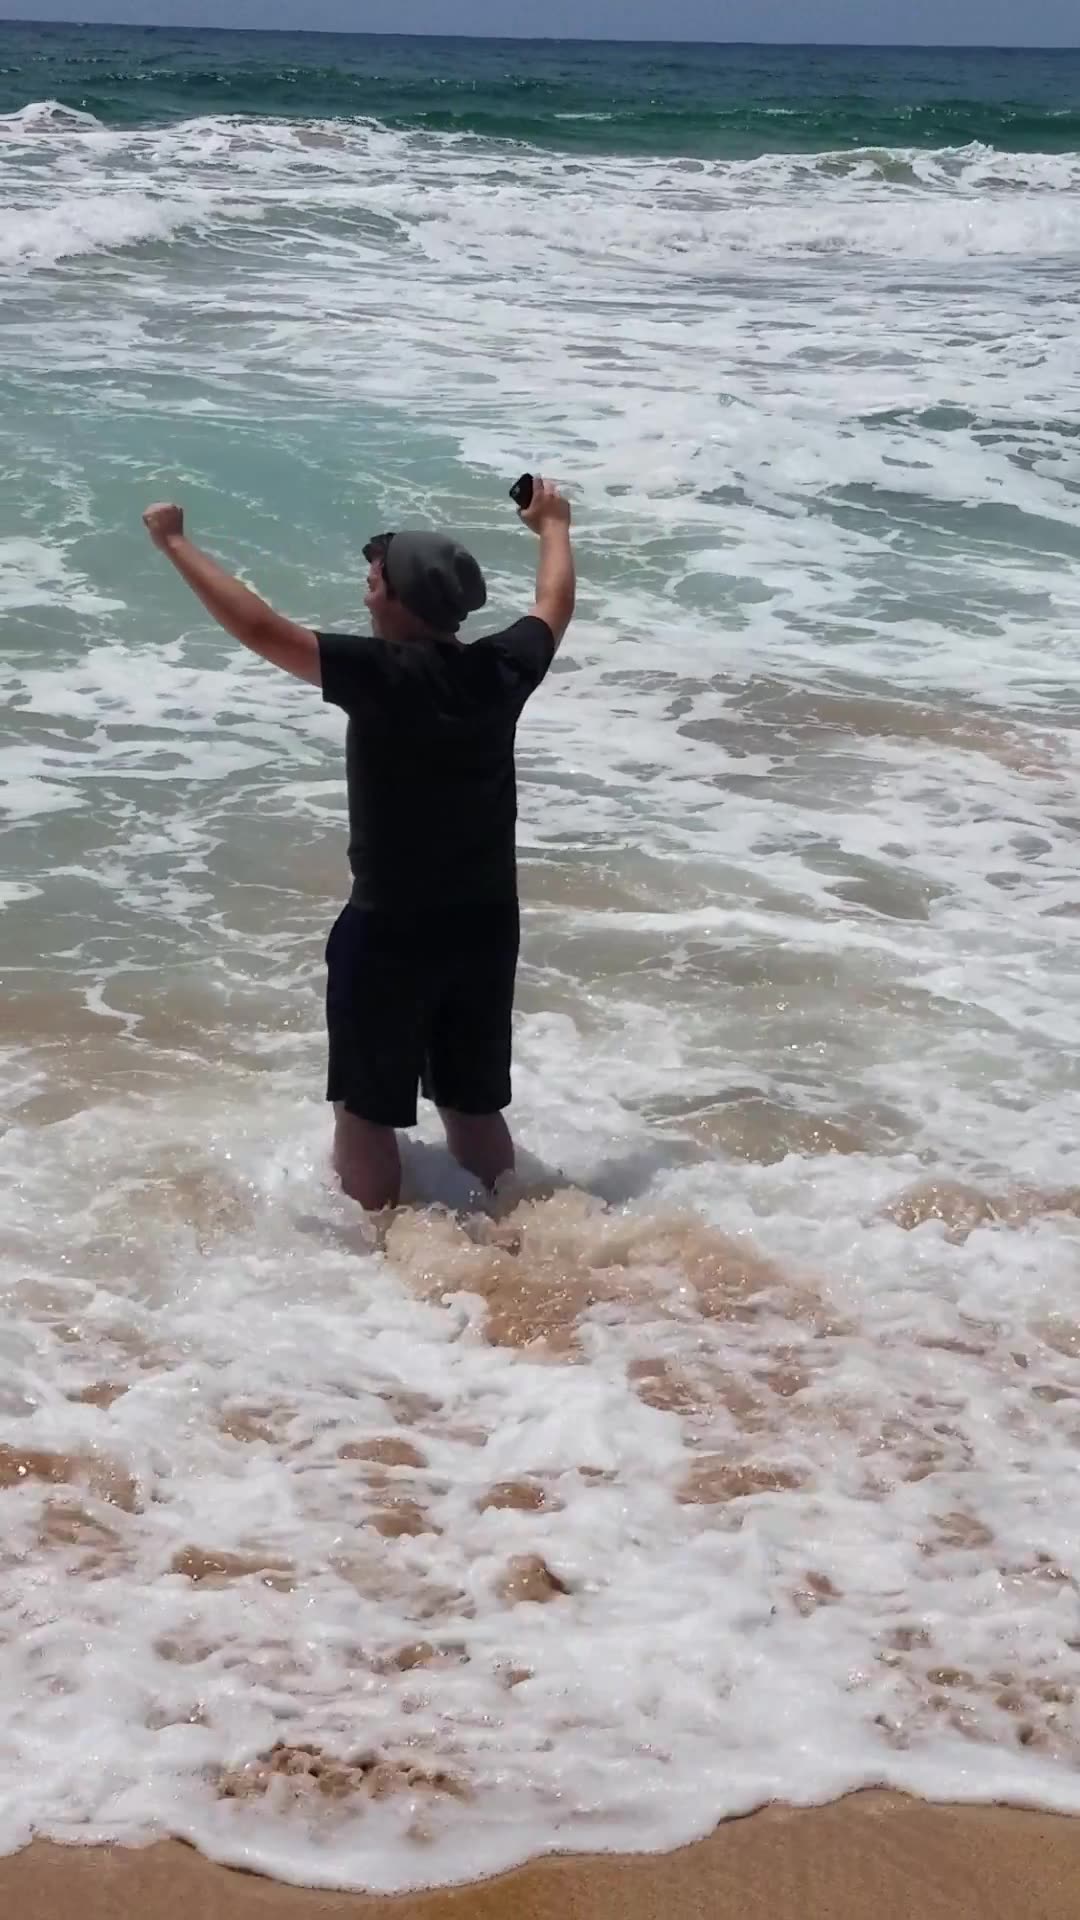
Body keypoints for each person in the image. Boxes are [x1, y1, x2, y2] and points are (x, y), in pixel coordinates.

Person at [142, 480, 576, 1211]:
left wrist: (175, 544)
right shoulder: (501, 669)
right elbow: (552, 604)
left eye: (376, 584)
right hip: (485, 923)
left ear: (403, 604)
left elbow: (259, 629)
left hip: (391, 929)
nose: (366, 593)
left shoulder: (382, 676)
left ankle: (379, 1253)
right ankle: (513, 1220)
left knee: (367, 1109)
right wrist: (554, 525)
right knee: (472, 1104)